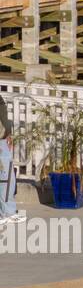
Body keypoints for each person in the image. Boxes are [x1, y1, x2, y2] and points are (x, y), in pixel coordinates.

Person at [0, 92, 22, 226]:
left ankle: (6, 212)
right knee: (5, 179)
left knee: (6, 179)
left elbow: (2, 114)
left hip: (2, 140)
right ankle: (7, 213)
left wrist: (8, 133)